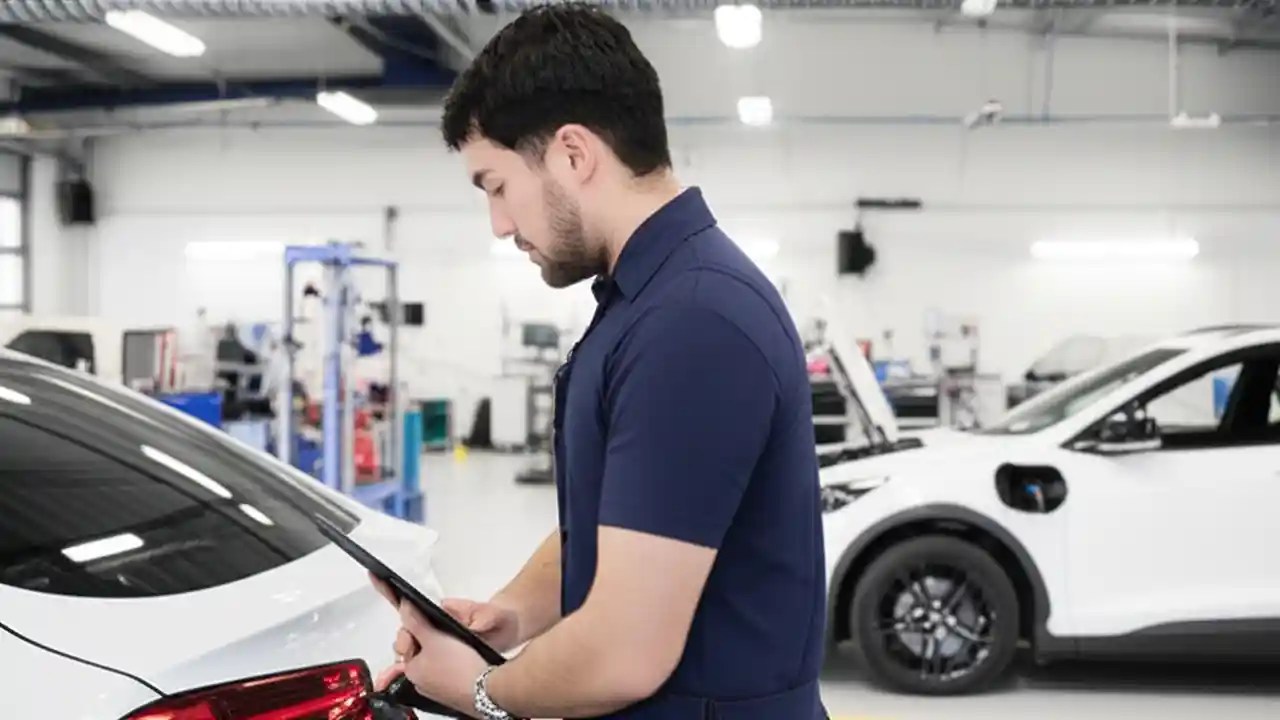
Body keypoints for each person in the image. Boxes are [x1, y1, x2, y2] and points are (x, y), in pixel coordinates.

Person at [372, 5, 828, 719]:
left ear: (573, 154)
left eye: (496, 185)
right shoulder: (650, 301)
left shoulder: (693, 321)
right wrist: (512, 614)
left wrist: (477, 689)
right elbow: (630, 520)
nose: (498, 224)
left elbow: (624, 651)